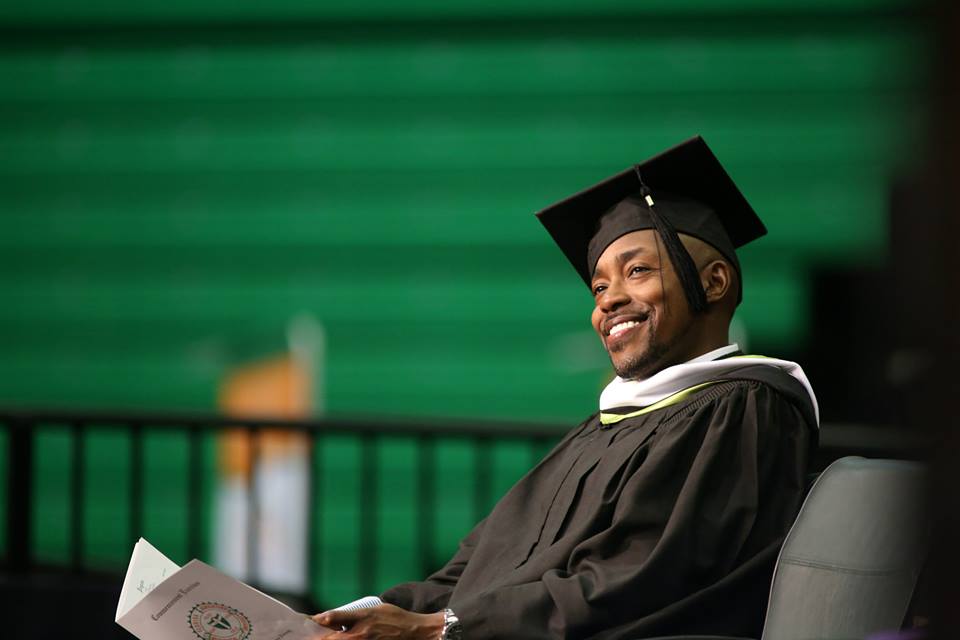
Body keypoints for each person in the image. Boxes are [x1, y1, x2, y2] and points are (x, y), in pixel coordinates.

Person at [312, 136, 819, 640]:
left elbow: (638, 579)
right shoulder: (605, 428)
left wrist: (437, 630)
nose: (609, 302)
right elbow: (475, 570)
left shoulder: (743, 406)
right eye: (599, 287)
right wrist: (369, 612)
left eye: (637, 271)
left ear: (713, 283)